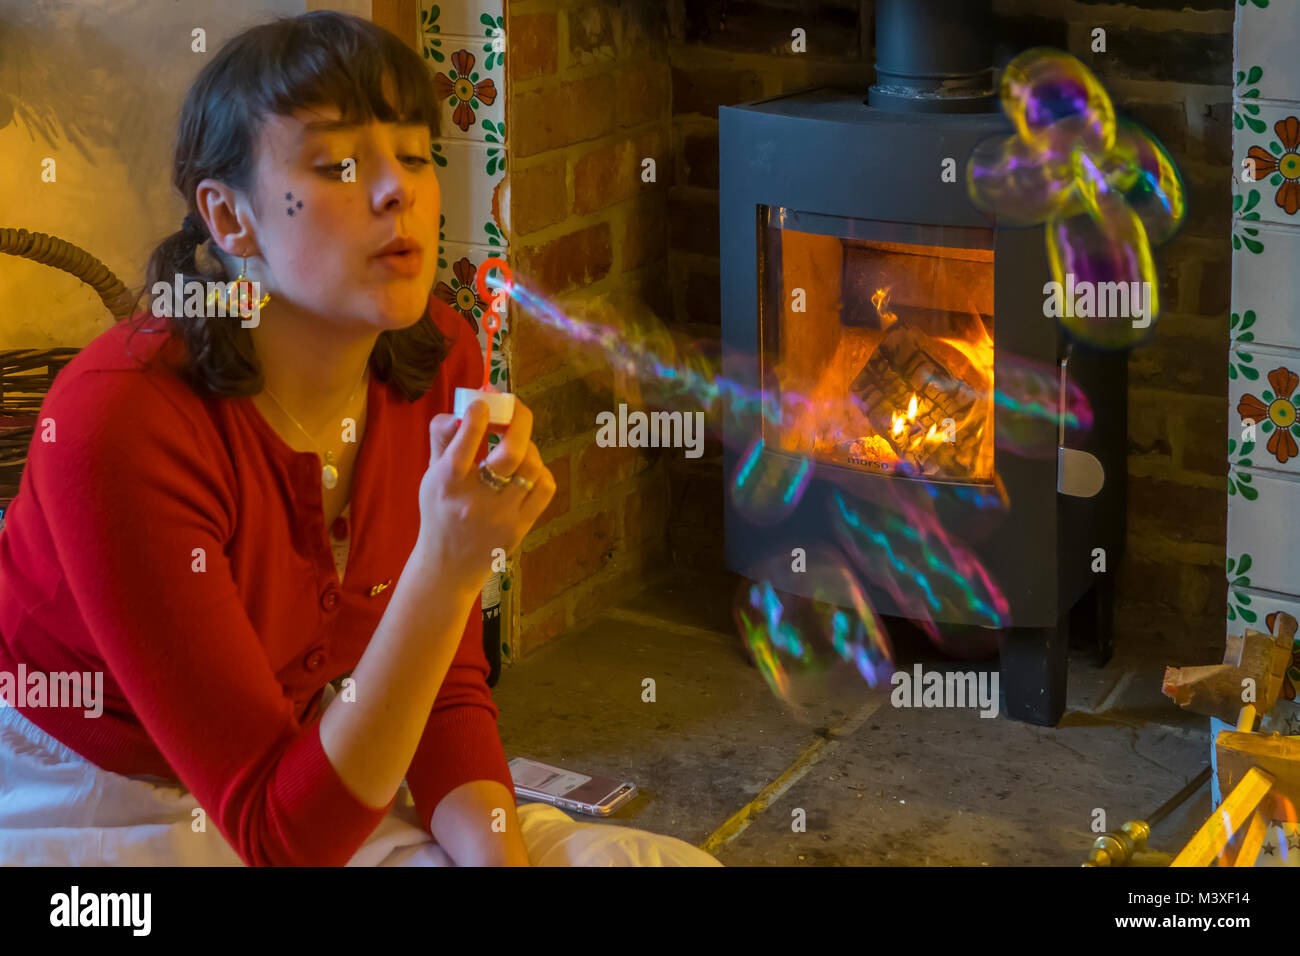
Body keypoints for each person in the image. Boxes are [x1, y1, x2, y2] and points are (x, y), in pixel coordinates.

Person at [0, 10, 720, 868]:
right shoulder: (118, 419)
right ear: (230, 220)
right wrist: (449, 564)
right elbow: (277, 840)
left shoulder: (441, 355)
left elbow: (443, 688)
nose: (399, 192)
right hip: (109, 797)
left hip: (323, 763)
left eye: (415, 156)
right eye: (340, 163)